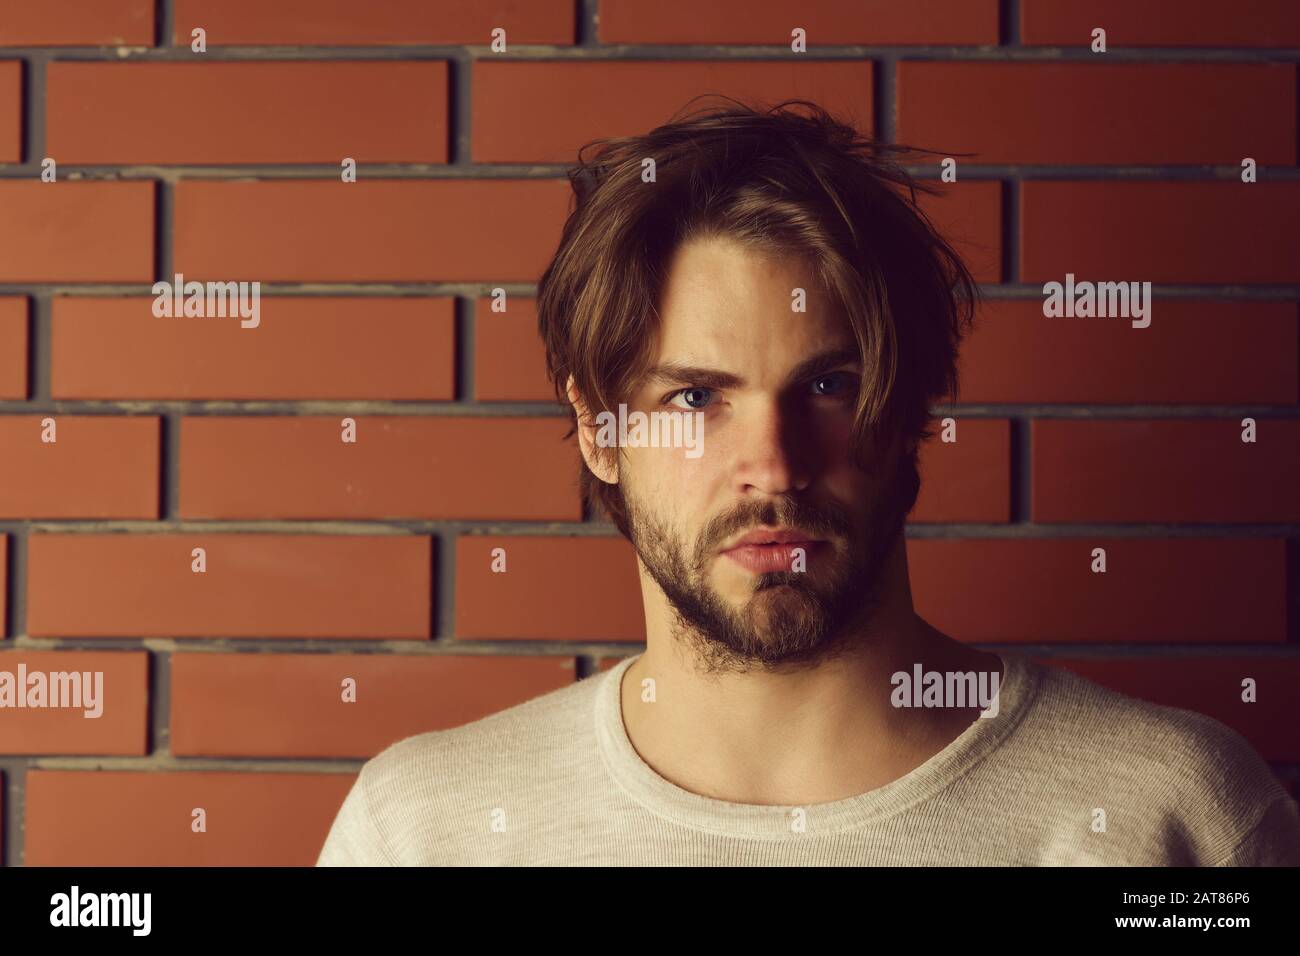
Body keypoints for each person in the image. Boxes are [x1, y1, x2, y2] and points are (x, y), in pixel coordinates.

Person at [318, 99, 1300, 865]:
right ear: (597, 429)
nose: (774, 466)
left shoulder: (1171, 815)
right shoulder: (423, 830)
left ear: (912, 407)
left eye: (828, 385)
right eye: (696, 395)